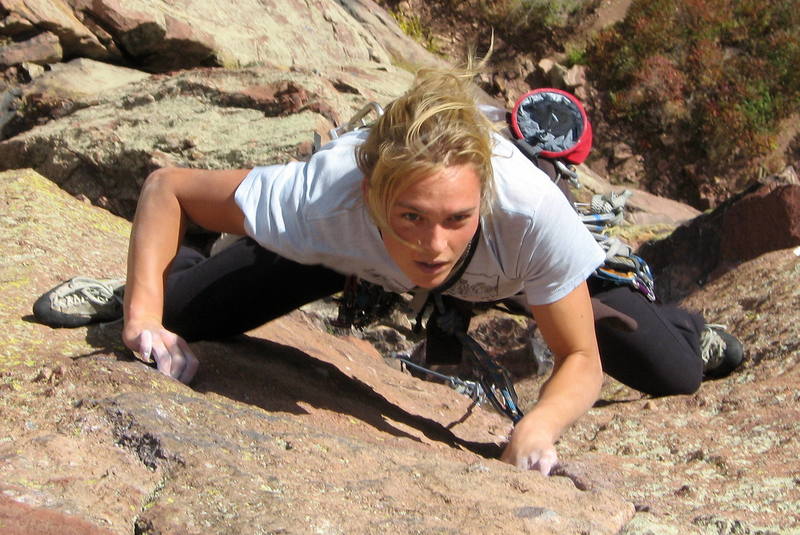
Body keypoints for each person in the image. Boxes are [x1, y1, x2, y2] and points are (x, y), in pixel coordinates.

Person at [33, 67, 741, 475]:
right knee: (184, 315)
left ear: (483, 198)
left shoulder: (528, 215)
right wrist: (144, 309)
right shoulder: (324, 193)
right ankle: (149, 276)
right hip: (355, 259)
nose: (433, 243)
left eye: (454, 218)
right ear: (372, 192)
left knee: (672, 369)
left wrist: (540, 425)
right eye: (411, 216)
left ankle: (686, 326)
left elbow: (579, 354)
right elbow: (168, 189)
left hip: (505, 271)